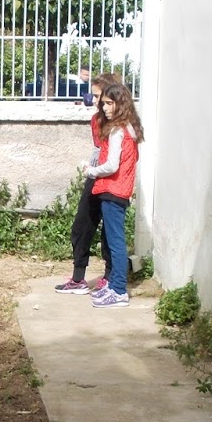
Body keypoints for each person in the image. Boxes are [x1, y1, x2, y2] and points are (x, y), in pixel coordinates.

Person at [54, 73, 119, 295]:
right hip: (96, 175)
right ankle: (78, 277)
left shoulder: (120, 124)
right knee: (82, 224)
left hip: (112, 179)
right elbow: (98, 149)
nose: (95, 101)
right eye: (94, 96)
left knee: (109, 231)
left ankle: (110, 278)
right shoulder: (96, 120)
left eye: (99, 96)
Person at [84, 80, 142, 309]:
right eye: (104, 103)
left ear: (121, 104)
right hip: (118, 190)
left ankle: (118, 290)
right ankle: (114, 285)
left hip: (113, 190)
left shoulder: (118, 130)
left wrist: (91, 171)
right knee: (113, 240)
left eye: (109, 103)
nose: (104, 108)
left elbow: (111, 165)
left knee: (116, 243)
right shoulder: (129, 128)